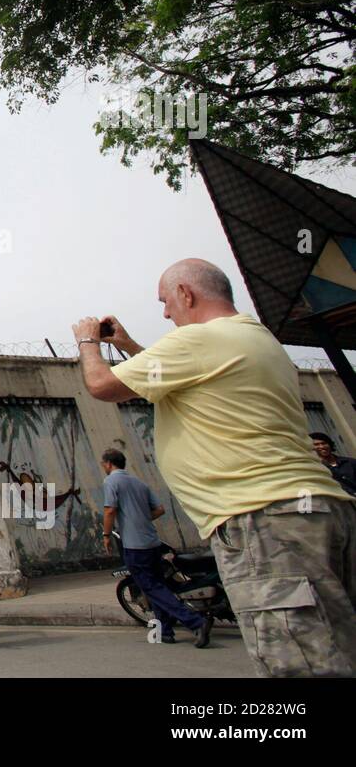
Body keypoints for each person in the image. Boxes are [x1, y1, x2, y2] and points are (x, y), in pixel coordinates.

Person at [73, 257, 356, 677]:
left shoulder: (199, 340)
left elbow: (101, 385)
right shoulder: (255, 337)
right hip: (320, 508)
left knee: (299, 663)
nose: (165, 313)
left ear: (185, 293)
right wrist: (129, 346)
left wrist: (87, 342)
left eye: (165, 302)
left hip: (262, 519)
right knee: (340, 643)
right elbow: (174, 380)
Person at [101, 448, 210, 646]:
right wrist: (142, 519)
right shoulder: (139, 482)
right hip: (153, 543)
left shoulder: (111, 481)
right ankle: (165, 631)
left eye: (103, 464)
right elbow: (159, 509)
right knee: (158, 585)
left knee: (152, 588)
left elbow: (109, 510)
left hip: (134, 546)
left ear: (108, 463)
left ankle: (195, 622)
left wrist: (106, 535)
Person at [311, 432, 356, 497]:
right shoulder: (317, 470)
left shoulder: (350, 462)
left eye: (324, 443)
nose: (322, 446)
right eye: (316, 444)